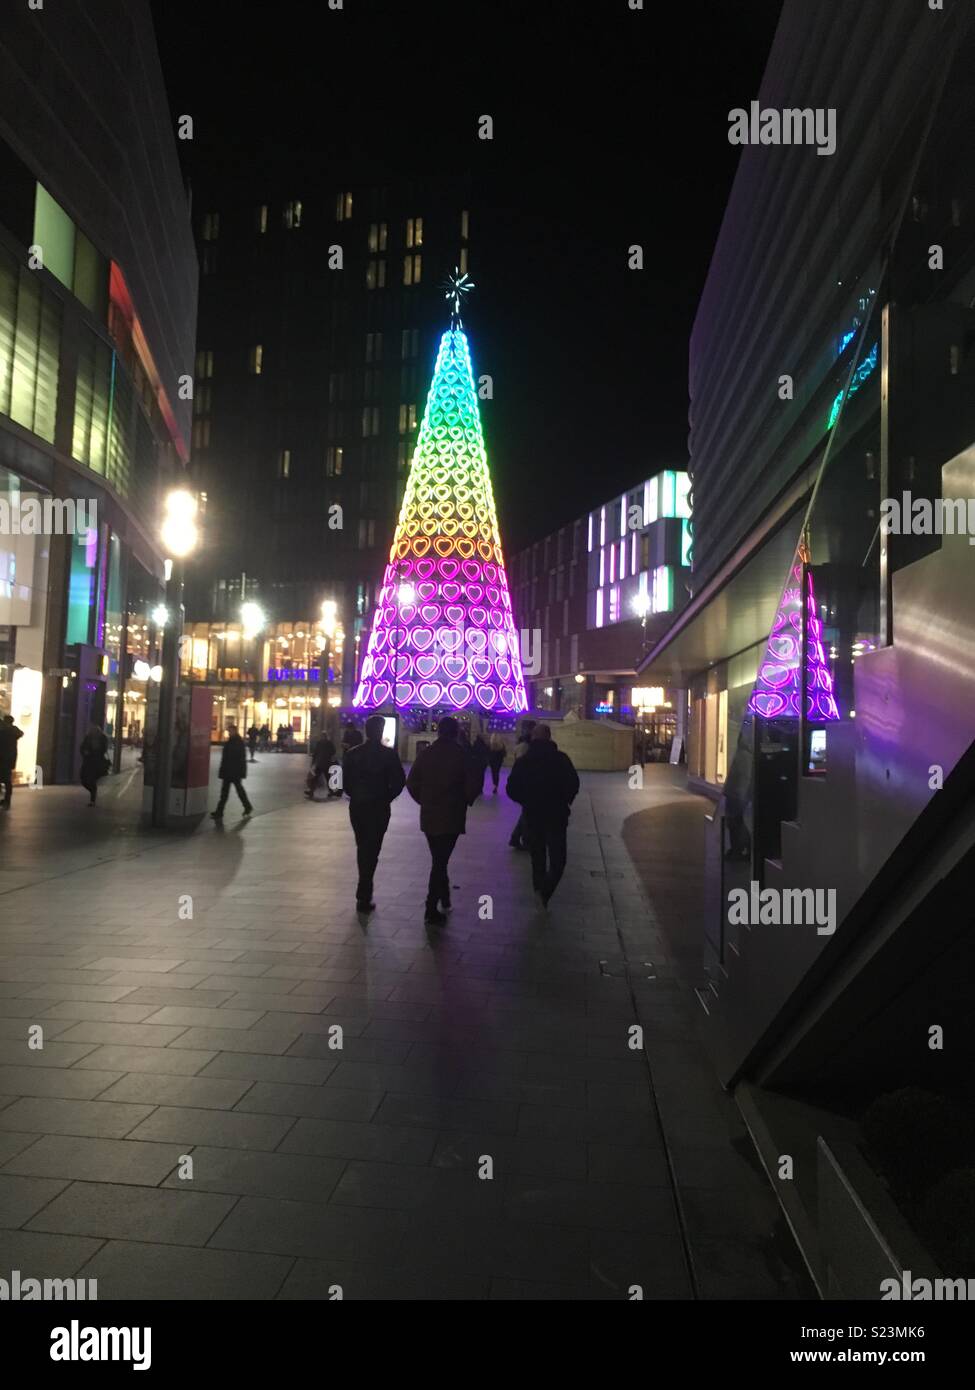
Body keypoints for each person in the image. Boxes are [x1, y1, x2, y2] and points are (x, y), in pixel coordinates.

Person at [406, 714, 483, 926]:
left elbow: (411, 782)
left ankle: (444, 896)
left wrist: (424, 800)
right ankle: (431, 907)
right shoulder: (462, 755)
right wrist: (466, 799)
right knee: (440, 860)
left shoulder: (426, 754)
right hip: (452, 814)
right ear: (457, 732)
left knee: (439, 858)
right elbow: (474, 782)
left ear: (438, 731)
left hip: (430, 815)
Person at [506, 723, 580, 909]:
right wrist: (565, 800)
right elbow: (573, 783)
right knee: (558, 859)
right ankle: (546, 889)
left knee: (537, 856)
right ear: (549, 737)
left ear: (533, 738)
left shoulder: (525, 761)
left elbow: (511, 787)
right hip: (557, 816)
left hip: (533, 816)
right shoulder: (561, 759)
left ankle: (539, 888)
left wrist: (525, 801)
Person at [343, 713, 406, 912]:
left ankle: (363, 891)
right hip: (378, 806)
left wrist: (356, 794)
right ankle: (364, 891)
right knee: (373, 848)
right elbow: (399, 781)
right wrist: (386, 796)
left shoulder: (352, 754)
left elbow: (344, 783)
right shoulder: (388, 755)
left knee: (362, 846)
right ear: (380, 731)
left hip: (359, 806)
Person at [211, 723, 253, 820]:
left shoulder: (238, 742)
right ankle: (219, 811)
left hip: (234, 772)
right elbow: (225, 758)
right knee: (225, 793)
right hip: (228, 771)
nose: (229, 732)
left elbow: (240, 759)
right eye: (228, 731)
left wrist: (241, 772)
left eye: (230, 731)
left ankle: (247, 807)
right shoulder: (231, 741)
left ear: (234, 731)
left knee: (237, 791)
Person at [508, 719, 536, 849]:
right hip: (526, 783)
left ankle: (517, 837)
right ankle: (523, 838)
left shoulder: (521, 745)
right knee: (527, 813)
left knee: (526, 812)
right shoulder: (526, 747)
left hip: (522, 782)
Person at [79, 722, 110, 807]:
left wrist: (93, 752)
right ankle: (92, 792)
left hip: (96, 763)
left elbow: (103, 749)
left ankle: (93, 799)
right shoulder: (88, 738)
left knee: (92, 780)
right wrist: (85, 752)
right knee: (83, 778)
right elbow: (82, 748)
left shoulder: (102, 738)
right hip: (87, 762)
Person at [0, 714, 24, 808]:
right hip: (9, 759)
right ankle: (6, 800)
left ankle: (6, 801)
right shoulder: (13, 731)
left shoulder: (5, 731)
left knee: (6, 780)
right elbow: (20, 733)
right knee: (6, 780)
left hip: (4, 758)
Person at [306, 729, 337, 800]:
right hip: (326, 763)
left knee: (315, 778)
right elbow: (333, 751)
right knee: (327, 778)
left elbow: (315, 753)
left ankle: (311, 791)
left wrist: (313, 762)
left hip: (320, 763)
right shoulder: (329, 743)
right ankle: (331, 791)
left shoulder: (319, 743)